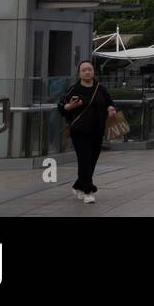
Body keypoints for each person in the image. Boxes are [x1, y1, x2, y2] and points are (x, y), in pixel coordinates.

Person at [57, 60, 117, 203]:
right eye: (84, 70)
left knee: (92, 161)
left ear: (93, 71)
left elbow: (109, 101)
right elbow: (61, 107)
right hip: (79, 131)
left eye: (89, 69)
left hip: (97, 131)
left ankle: (79, 185)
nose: (87, 72)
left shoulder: (100, 88)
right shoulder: (74, 89)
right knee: (84, 160)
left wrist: (110, 108)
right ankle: (88, 191)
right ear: (79, 73)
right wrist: (71, 106)